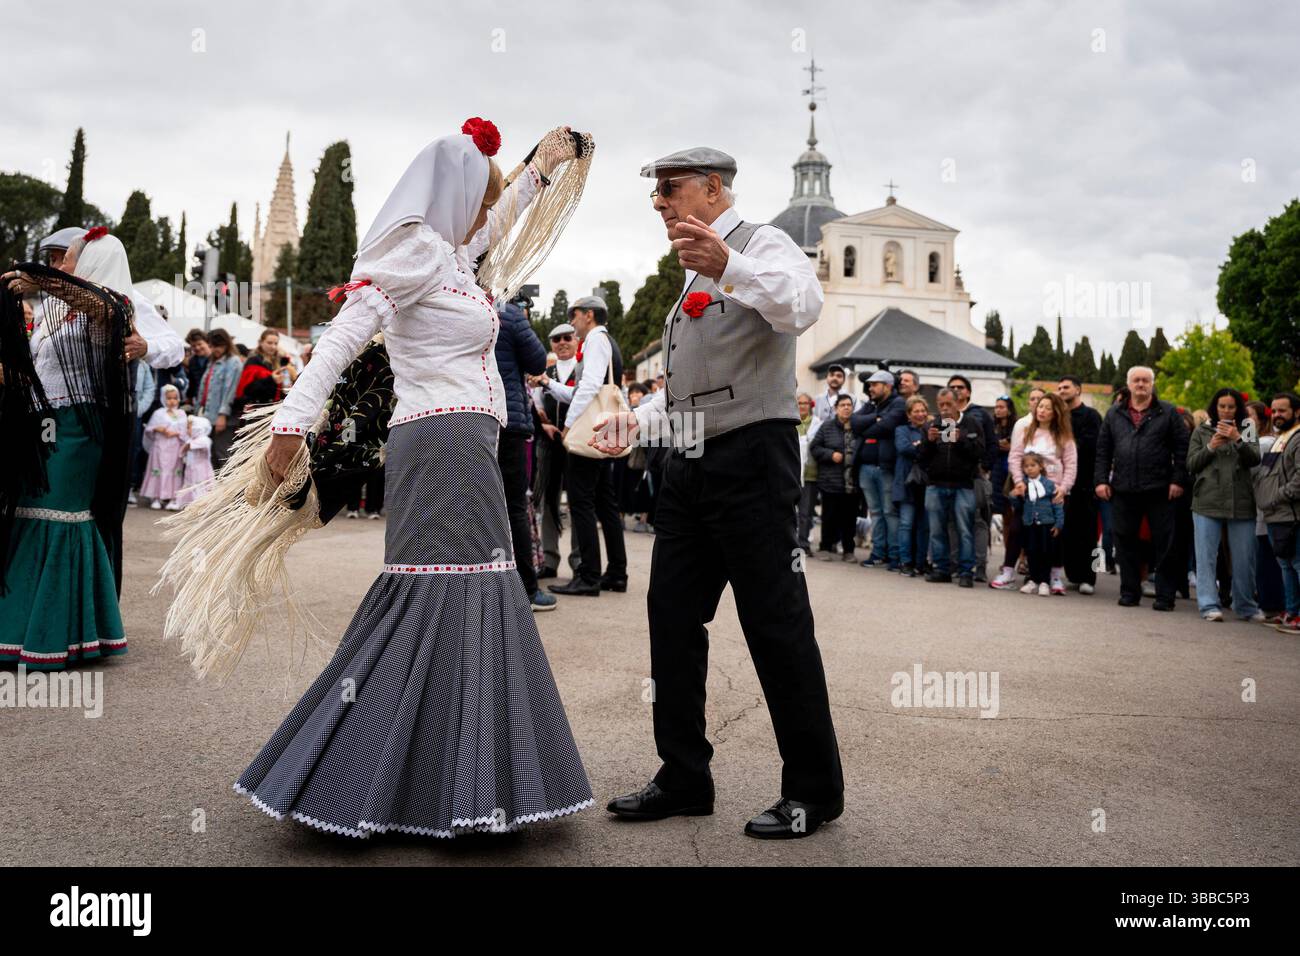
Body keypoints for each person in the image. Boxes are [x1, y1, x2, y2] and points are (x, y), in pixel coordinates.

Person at [237, 120, 594, 838]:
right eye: (478, 194)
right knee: (454, 586)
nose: (481, 210)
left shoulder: (451, 257)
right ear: (454, 190)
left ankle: (434, 774)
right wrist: (290, 423)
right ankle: (431, 778)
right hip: (442, 439)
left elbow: (496, 224)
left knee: (459, 584)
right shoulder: (416, 254)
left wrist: (537, 167)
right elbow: (342, 335)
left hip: (463, 436)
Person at [593, 146, 843, 838]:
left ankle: (814, 792)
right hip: (689, 463)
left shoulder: (764, 244)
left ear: (713, 188)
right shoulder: (688, 269)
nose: (659, 202)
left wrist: (729, 266)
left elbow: (804, 307)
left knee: (776, 626)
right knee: (671, 619)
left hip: (752, 461)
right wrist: (636, 421)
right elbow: (689, 392)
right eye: (656, 193)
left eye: (669, 188)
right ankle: (683, 777)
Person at [1, 243, 132, 668]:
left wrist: (41, 278)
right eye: (55, 261)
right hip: (40, 423)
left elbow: (104, 312)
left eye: (67, 257)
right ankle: (16, 631)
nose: (59, 264)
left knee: (59, 515)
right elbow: (36, 372)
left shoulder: (113, 305)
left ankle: (57, 636)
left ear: (94, 262)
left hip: (80, 428)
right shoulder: (51, 312)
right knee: (27, 512)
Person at [543, 295, 628, 596]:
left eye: (575, 316)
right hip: (605, 426)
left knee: (581, 501)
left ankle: (589, 575)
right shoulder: (609, 342)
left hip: (591, 430)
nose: (573, 323)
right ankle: (617, 572)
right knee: (606, 503)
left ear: (588, 315)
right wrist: (548, 384)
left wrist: (567, 426)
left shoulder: (594, 341)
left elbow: (589, 386)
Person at [1095, 366, 1190, 610]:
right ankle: (1129, 592)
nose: (1141, 384)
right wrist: (1101, 480)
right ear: (1128, 384)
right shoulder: (1115, 413)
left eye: (1145, 380)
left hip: (1159, 488)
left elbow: (1182, 448)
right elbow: (1103, 450)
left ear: (1152, 384)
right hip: (1124, 488)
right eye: (1136, 380)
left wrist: (1178, 480)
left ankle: (1165, 596)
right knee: (1125, 542)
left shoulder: (1167, 412)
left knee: (1165, 543)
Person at [494, 296, 551, 609]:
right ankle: (527, 589)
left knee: (474, 505)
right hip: (509, 421)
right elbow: (537, 361)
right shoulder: (508, 312)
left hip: (467, 419)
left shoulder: (451, 298)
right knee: (515, 506)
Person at [1187, 388, 1263, 622]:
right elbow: (1191, 464)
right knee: (1206, 556)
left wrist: (1237, 439)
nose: (1227, 410)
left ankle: (1246, 606)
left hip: (1241, 501)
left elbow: (1254, 458)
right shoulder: (1202, 430)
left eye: (1231, 406)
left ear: (1238, 408)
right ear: (1215, 407)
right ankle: (1209, 605)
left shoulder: (1248, 428)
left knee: (1244, 557)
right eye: (1222, 406)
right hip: (1207, 500)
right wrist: (1210, 447)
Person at [1008, 392, 1076, 594]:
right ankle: (1032, 577)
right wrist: (1019, 482)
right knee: (1028, 535)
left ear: (1056, 412)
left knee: (1052, 537)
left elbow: (1071, 465)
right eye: (1040, 406)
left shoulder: (1064, 437)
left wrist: (1063, 489)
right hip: (1029, 493)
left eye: (1047, 407)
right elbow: (1015, 457)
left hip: (1053, 494)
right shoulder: (1027, 432)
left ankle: (1051, 578)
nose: (1042, 410)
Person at [920, 387, 985, 586]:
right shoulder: (931, 425)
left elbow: (980, 452)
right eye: (941, 405)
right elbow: (922, 459)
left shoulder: (972, 423)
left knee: (964, 529)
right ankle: (942, 569)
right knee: (937, 529)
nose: (945, 409)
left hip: (963, 485)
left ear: (958, 402)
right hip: (936, 484)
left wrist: (962, 439)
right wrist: (929, 442)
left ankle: (966, 572)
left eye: (949, 404)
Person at [532, 323, 578, 578]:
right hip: (549, 443)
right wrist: (543, 422)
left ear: (576, 340)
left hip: (577, 443)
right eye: (556, 339)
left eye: (567, 337)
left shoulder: (584, 370)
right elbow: (537, 403)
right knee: (547, 499)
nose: (562, 342)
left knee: (578, 502)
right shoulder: (544, 372)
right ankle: (549, 559)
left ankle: (579, 560)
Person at [1253, 392, 1300, 633]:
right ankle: (1292, 612)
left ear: (1297, 412)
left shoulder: (1297, 438)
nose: (1277, 415)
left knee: (1297, 564)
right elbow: (1259, 471)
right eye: (1274, 411)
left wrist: (1276, 497)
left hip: (1291, 515)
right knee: (1286, 566)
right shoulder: (1280, 438)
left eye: (1283, 410)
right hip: (1275, 515)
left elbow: (1298, 480)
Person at [852, 369, 906, 569]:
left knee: (889, 512)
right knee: (875, 513)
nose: (870, 388)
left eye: (875, 384)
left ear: (888, 386)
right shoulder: (871, 404)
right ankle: (877, 553)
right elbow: (854, 422)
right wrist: (875, 418)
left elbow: (885, 427)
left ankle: (893, 555)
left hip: (885, 468)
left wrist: (870, 425)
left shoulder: (898, 403)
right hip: (865, 468)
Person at [946, 375, 996, 582]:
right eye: (952, 387)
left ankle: (980, 566)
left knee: (978, 522)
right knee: (952, 522)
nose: (957, 390)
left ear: (968, 391)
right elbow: (946, 445)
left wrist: (984, 467)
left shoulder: (980, 415)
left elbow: (991, 444)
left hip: (975, 477)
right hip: (951, 478)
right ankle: (955, 565)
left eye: (960, 387)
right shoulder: (947, 416)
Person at [1056, 376, 1103, 594]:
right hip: (1063, 484)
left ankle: (1090, 577)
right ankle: (1073, 575)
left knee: (1089, 534)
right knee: (1068, 533)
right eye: (1059, 388)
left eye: (1066, 387)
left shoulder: (1091, 416)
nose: (1061, 390)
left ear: (1078, 389)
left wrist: (1065, 446)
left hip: (1085, 483)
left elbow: (1091, 446)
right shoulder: (1059, 417)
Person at [1247, 401, 1285, 617]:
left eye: (1249, 415)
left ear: (1261, 419)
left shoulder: (1264, 443)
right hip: (1260, 509)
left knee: (1268, 561)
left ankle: (1273, 606)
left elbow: (1252, 472)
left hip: (1264, 509)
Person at [810, 394, 858, 560]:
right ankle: (825, 547)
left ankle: (848, 550)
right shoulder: (827, 426)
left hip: (852, 482)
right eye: (843, 405)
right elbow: (814, 448)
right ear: (836, 408)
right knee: (829, 516)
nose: (846, 408)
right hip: (830, 481)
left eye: (849, 405)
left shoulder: (857, 427)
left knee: (849, 519)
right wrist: (830, 455)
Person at [1015, 452, 1065, 596]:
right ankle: (1033, 580)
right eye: (1026, 466)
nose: (1029, 469)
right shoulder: (1023, 485)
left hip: (1046, 524)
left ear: (1041, 466)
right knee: (1031, 552)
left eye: (1033, 465)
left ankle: (1044, 582)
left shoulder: (1049, 485)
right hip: (1030, 525)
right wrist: (1015, 495)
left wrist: (1059, 524)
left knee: (1046, 553)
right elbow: (1017, 505)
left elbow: (1057, 505)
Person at [989, 395, 1025, 590]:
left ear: (1009, 409)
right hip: (997, 474)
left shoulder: (1017, 427)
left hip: (1012, 474)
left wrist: (1010, 447)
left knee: (1016, 518)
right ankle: (1007, 558)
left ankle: (1022, 558)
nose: (998, 410)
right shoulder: (994, 428)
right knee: (1005, 519)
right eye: (996, 407)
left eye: (1002, 407)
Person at [894, 395, 931, 576]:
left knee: (924, 526)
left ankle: (921, 562)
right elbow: (903, 448)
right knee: (906, 524)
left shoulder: (932, 429)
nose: (920, 414)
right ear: (909, 414)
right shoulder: (901, 430)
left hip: (925, 485)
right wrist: (923, 446)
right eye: (916, 411)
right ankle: (905, 561)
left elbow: (933, 451)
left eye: (923, 410)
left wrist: (918, 446)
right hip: (906, 484)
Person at [195, 328, 242, 469]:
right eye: (212, 346)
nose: (214, 349)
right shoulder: (212, 362)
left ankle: (229, 490)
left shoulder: (233, 362)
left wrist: (222, 415)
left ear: (226, 344)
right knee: (212, 456)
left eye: (218, 346)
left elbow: (230, 390)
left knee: (223, 456)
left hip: (223, 418)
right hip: (208, 416)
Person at [139, 384, 188, 510]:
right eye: (169, 398)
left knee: (174, 471)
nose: (172, 401)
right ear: (163, 399)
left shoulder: (181, 414)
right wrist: (157, 428)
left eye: (175, 398)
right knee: (158, 469)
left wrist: (176, 433)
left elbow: (186, 432)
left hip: (175, 447)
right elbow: (149, 429)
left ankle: (172, 498)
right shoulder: (158, 413)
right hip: (160, 447)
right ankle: (156, 497)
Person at [175, 415, 215, 507]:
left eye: (189, 428)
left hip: (201, 468)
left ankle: (200, 504)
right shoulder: (192, 440)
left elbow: (192, 446)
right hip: (191, 468)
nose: (187, 430)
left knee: (199, 485)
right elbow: (183, 451)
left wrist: (188, 444)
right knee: (190, 483)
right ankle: (187, 502)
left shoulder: (205, 439)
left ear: (197, 428)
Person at [796, 392, 818, 553]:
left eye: (805, 403)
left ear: (810, 405)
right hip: (792, 473)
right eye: (799, 402)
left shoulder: (818, 424)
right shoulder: (791, 423)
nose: (802, 406)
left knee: (805, 512)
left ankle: (803, 543)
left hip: (810, 474)